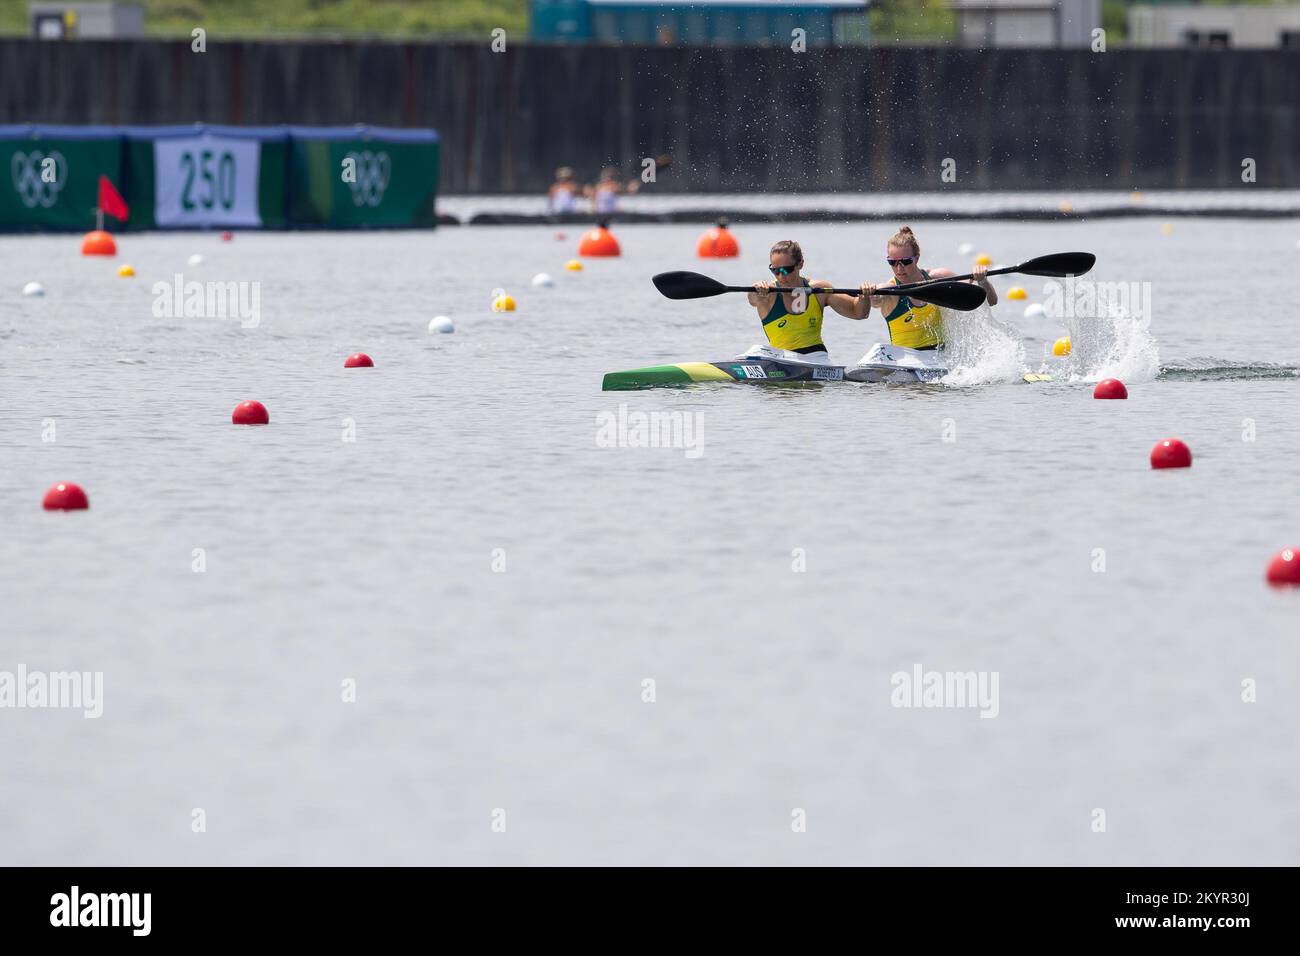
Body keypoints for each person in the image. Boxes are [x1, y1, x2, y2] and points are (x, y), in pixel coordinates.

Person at [854, 225, 997, 350]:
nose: (899, 268)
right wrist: (868, 293)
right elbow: (875, 301)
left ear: (917, 258)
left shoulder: (939, 277)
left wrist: (982, 280)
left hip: (941, 355)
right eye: (892, 262)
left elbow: (989, 301)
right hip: (906, 359)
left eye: (905, 261)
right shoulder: (889, 290)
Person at [747, 240, 864, 362]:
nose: (781, 276)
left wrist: (864, 296)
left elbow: (859, 313)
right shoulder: (767, 294)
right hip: (781, 360)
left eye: (786, 270)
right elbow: (752, 299)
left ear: (800, 264)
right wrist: (755, 289)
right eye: (775, 270)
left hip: (817, 358)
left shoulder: (819, 290)